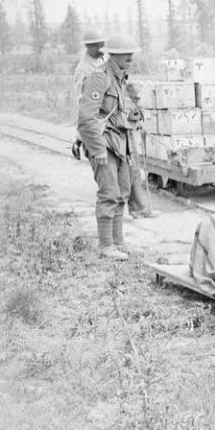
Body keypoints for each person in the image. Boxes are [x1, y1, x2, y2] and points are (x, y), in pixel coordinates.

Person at [77, 33, 140, 260]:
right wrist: (97, 149)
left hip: (121, 143)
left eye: (132, 54)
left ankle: (118, 242)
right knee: (109, 193)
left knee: (122, 192)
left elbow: (123, 111)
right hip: (104, 144)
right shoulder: (98, 78)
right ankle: (105, 246)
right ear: (114, 55)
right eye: (126, 54)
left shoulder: (121, 78)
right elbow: (86, 118)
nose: (131, 58)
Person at [122, 82, 160, 219]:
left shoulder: (130, 103)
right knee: (130, 173)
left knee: (135, 173)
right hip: (123, 141)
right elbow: (128, 119)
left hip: (130, 139)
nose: (138, 101)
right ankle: (130, 209)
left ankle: (138, 208)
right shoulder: (125, 102)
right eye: (136, 98)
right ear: (129, 94)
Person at [70, 27, 106, 159]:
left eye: (102, 45)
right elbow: (82, 103)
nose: (101, 49)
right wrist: (80, 136)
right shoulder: (83, 70)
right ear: (88, 47)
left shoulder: (102, 59)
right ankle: (79, 143)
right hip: (94, 112)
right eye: (97, 46)